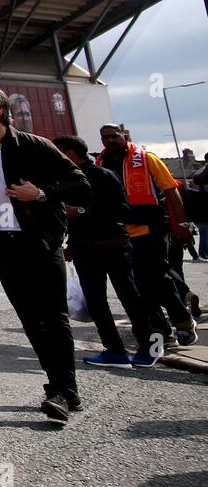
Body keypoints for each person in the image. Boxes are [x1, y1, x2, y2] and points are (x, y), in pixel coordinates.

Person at [0, 87, 88, 421]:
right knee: (30, 319)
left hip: (41, 241)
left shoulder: (35, 146)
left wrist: (40, 193)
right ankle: (60, 387)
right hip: (3, 244)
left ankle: (63, 390)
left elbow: (80, 183)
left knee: (53, 317)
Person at [53, 135, 159, 368]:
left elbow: (121, 211)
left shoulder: (102, 175)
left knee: (130, 298)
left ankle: (149, 349)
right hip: (83, 249)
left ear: (69, 153)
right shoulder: (66, 179)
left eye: (57, 151)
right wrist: (71, 244)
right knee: (96, 302)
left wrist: (80, 211)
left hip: (113, 246)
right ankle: (114, 351)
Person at [98, 123, 198, 347]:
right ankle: (160, 330)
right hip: (121, 231)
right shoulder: (100, 162)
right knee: (137, 286)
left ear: (124, 135)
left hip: (150, 227)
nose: (110, 140)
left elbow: (171, 190)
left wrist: (182, 224)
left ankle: (182, 320)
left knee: (157, 278)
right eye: (105, 138)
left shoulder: (145, 158)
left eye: (114, 136)